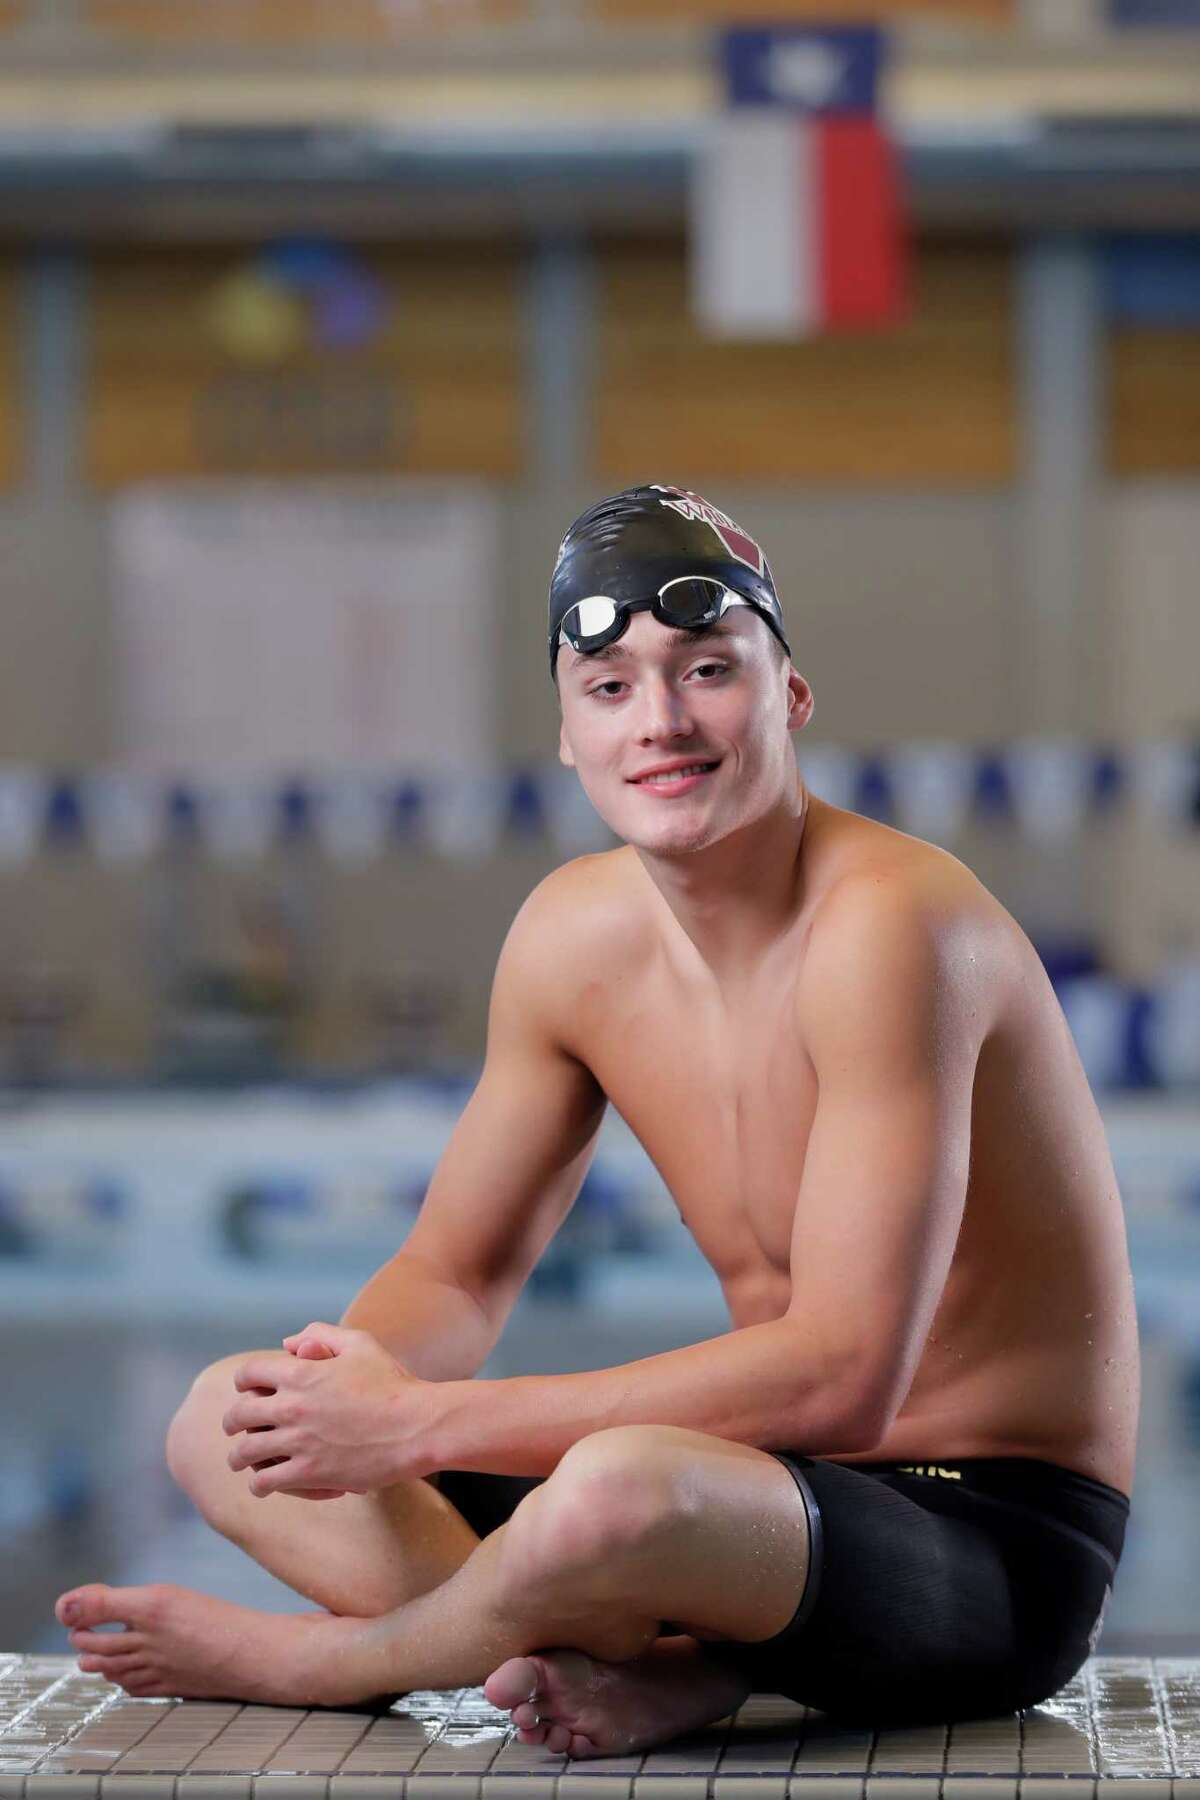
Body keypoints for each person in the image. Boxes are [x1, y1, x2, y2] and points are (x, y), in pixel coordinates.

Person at [55, 483, 1139, 1758]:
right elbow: (453, 1271)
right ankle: (675, 1669)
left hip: (985, 1536)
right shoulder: (572, 939)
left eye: (706, 671)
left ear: (789, 696)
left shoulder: (896, 925)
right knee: (219, 1420)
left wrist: (420, 1428)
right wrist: (343, 1395)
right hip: (755, 1515)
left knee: (619, 1485)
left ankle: (340, 1662)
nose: (662, 722)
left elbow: (846, 1379)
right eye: (610, 686)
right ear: (567, 734)